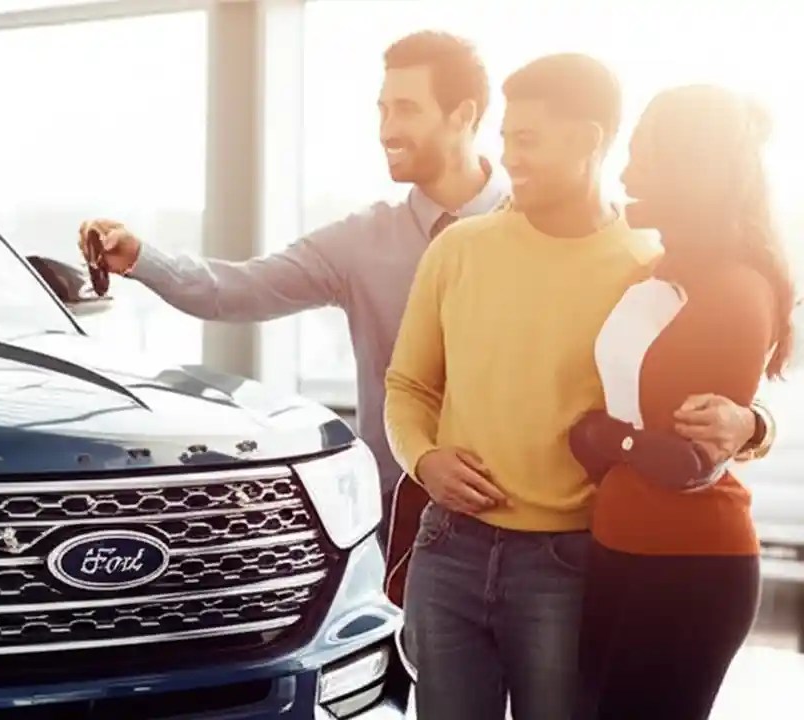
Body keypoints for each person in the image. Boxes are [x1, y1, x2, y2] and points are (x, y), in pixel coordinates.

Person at [382, 54, 774, 720]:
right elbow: (408, 386)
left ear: (589, 141)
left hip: (569, 562)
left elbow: (717, 389)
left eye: (526, 140)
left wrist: (755, 422)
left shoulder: (649, 270)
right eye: (505, 140)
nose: (508, 158)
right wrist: (424, 458)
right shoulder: (458, 249)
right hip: (449, 549)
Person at [78, 30, 505, 554]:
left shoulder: (535, 226)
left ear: (463, 115)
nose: (386, 129)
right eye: (382, 109)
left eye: (407, 109)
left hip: (528, 518)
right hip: (405, 518)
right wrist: (142, 258)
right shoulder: (359, 243)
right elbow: (236, 290)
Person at [568, 84, 790, 720]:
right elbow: (617, 439)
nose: (628, 173)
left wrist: (606, 437)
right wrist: (608, 439)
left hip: (688, 566)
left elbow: (682, 463)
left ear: (697, 171)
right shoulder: (657, 269)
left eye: (647, 158)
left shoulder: (736, 290)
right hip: (617, 547)